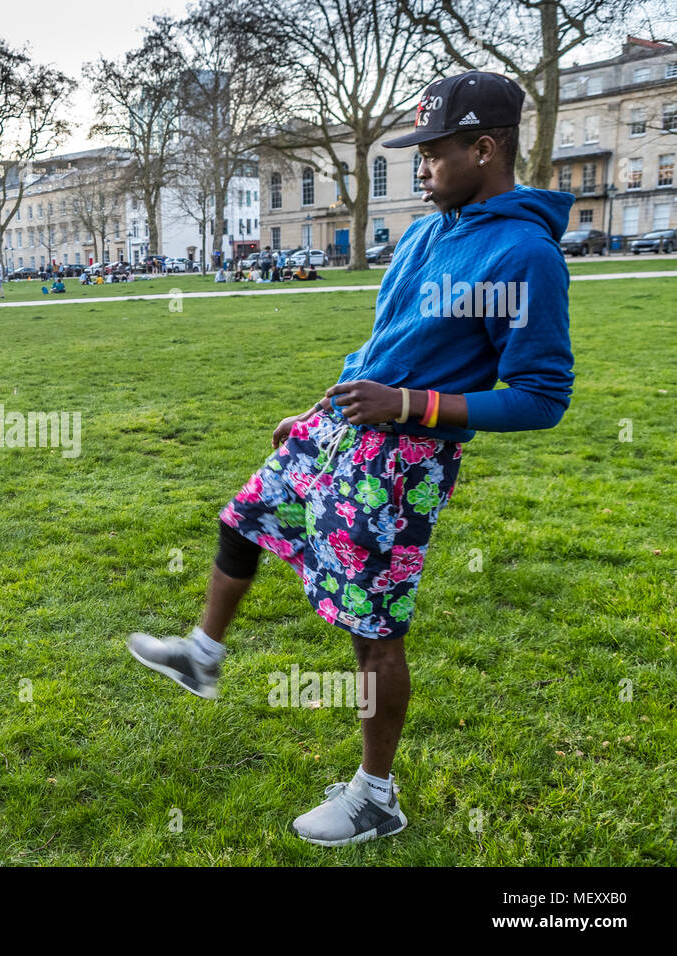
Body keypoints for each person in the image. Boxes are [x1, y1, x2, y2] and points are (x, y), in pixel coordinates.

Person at [126, 71, 574, 847]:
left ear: (485, 148)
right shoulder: (433, 229)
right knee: (245, 516)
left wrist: (408, 405)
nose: (423, 168)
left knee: (372, 628)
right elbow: (387, 344)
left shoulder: (525, 254)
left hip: (403, 464)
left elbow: (542, 396)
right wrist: (321, 404)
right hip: (345, 428)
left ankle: (375, 797)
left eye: (434, 154)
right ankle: (202, 654)